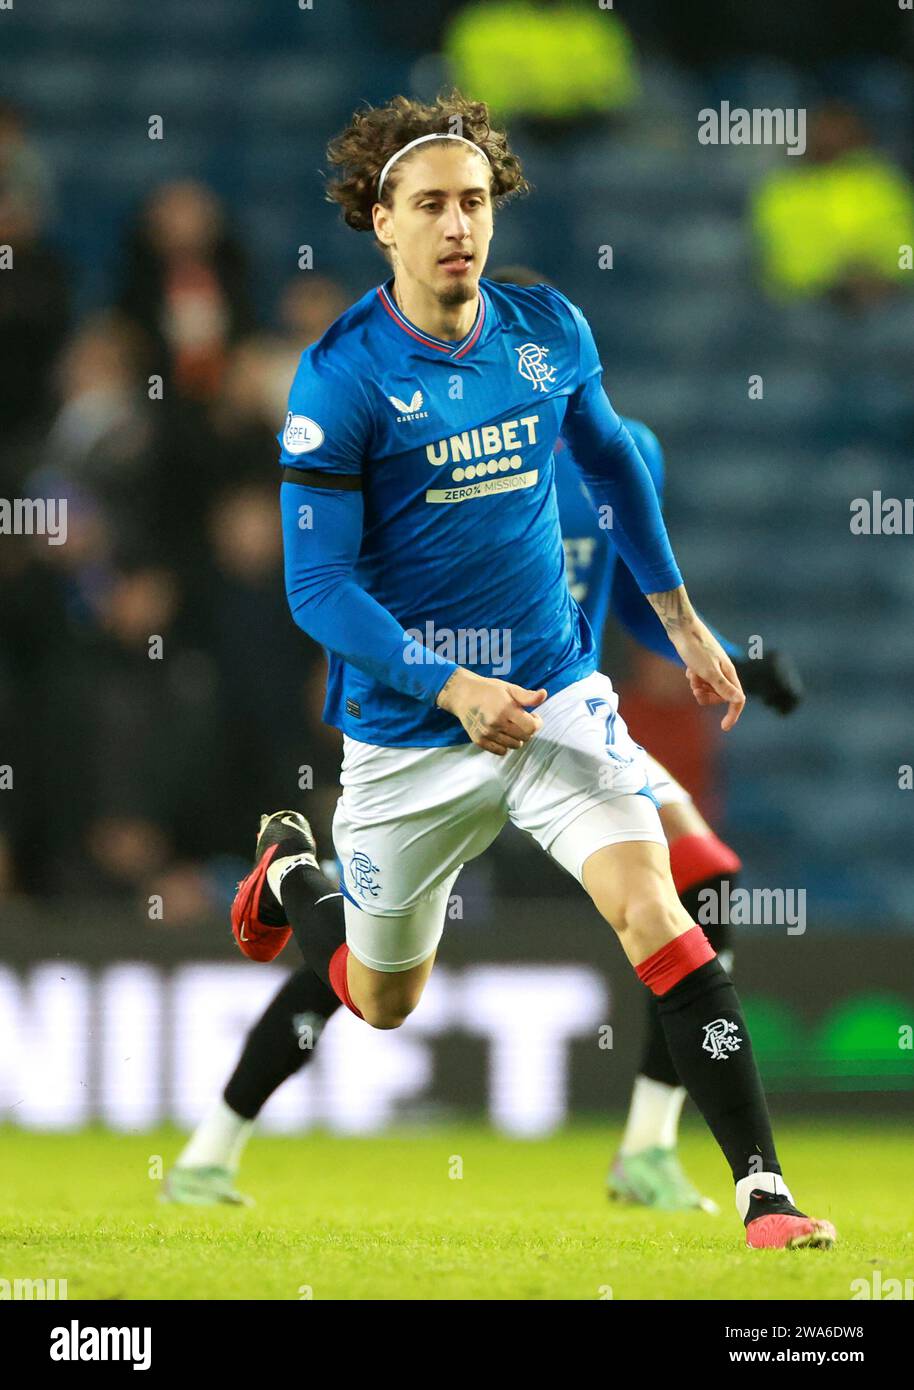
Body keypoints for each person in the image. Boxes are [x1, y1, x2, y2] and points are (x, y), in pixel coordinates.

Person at [168, 91, 833, 1249]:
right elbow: (316, 589)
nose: (456, 226)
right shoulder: (340, 380)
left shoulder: (544, 329)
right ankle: (289, 875)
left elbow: (617, 464)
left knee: (663, 914)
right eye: (429, 205)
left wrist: (677, 620)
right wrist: (450, 684)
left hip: (557, 697)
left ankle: (761, 1192)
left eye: (472, 202)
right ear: (382, 222)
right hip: (412, 732)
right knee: (380, 1000)